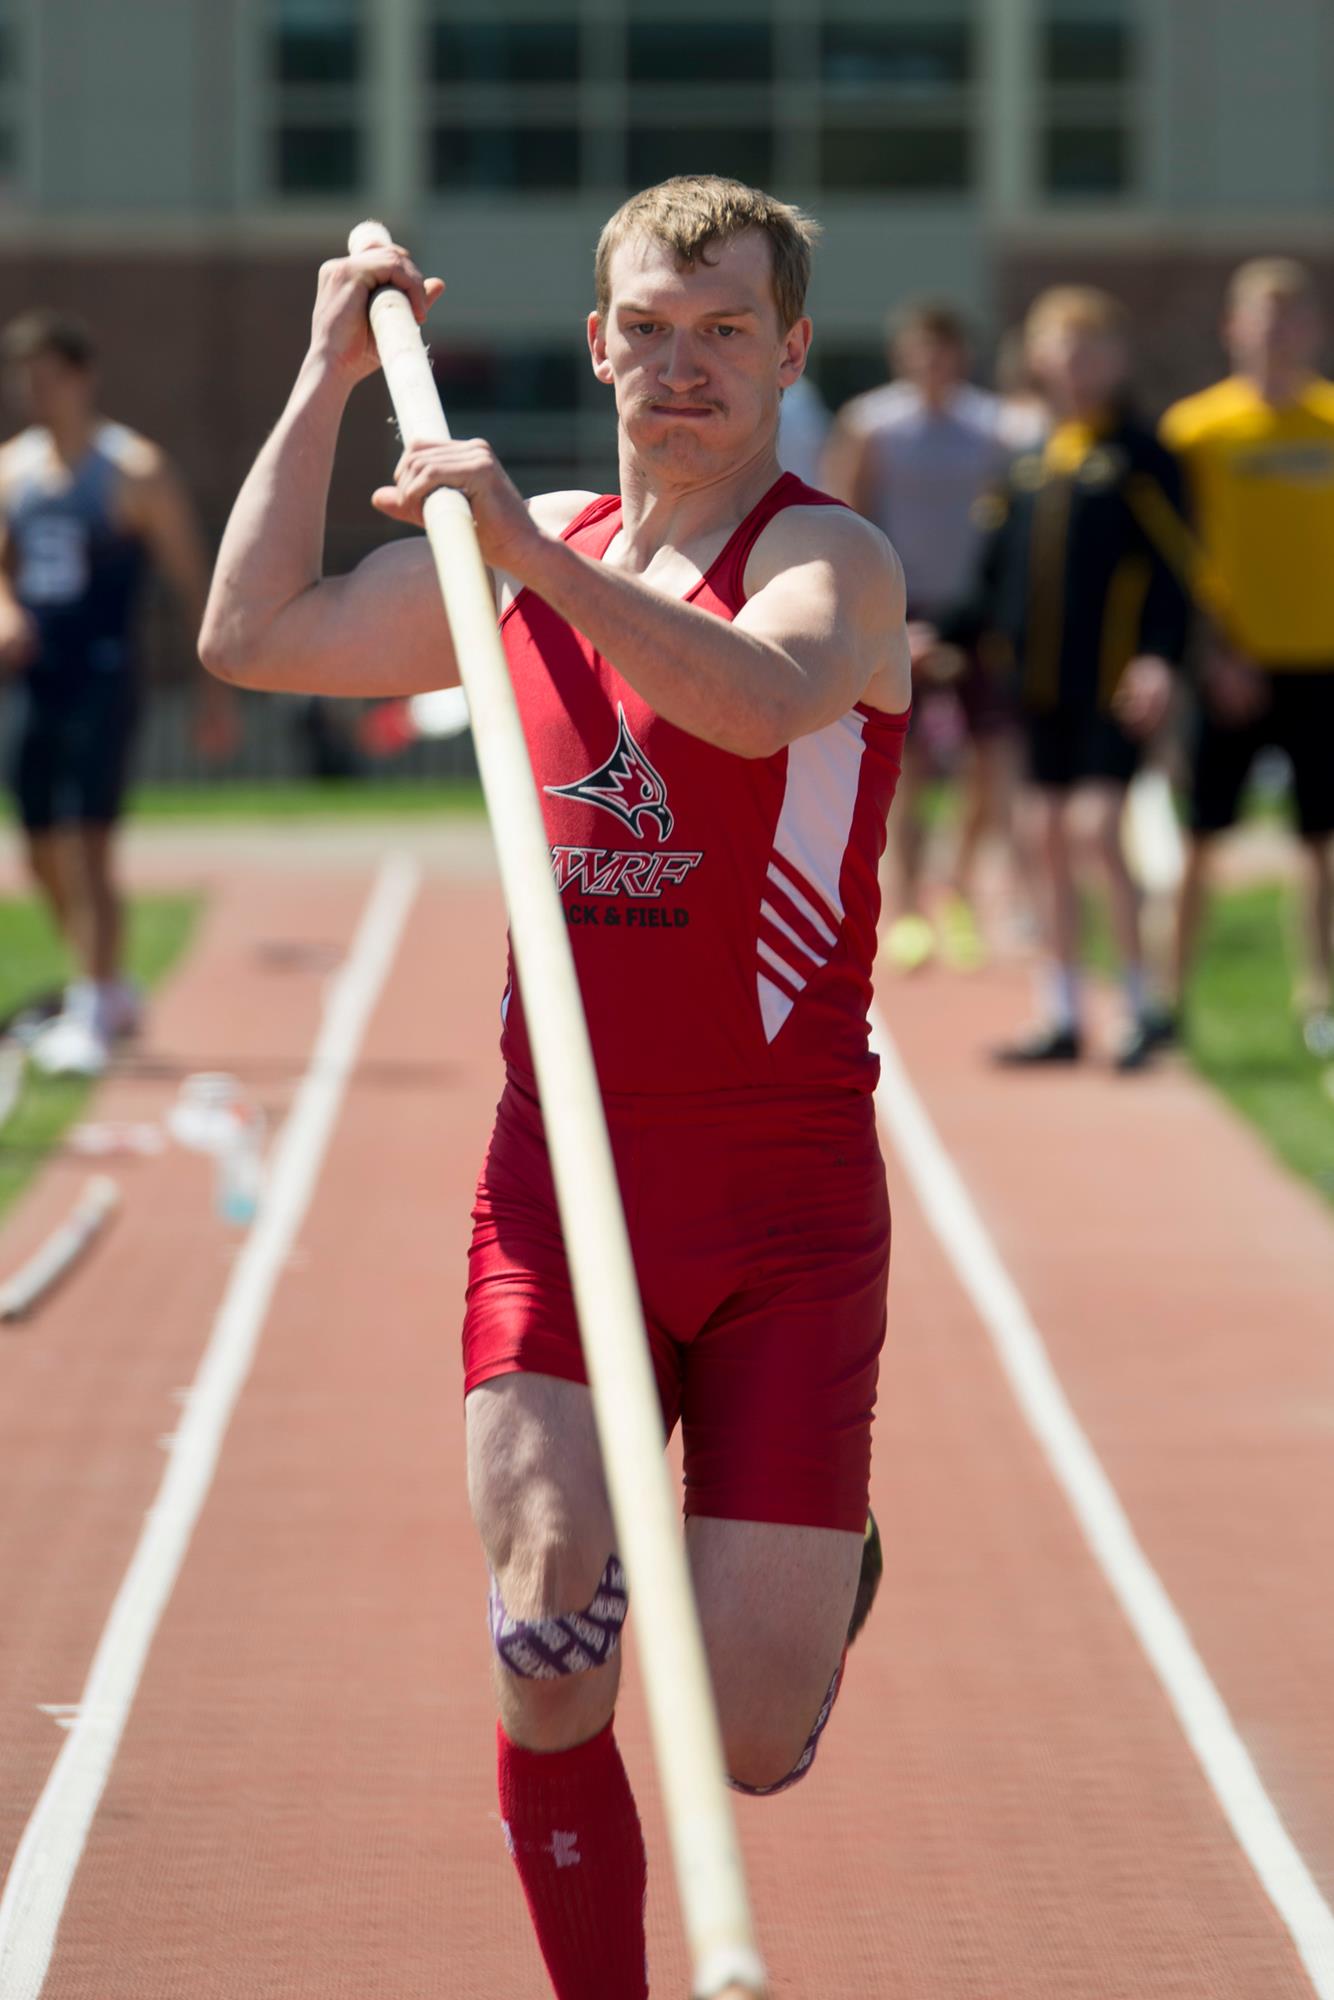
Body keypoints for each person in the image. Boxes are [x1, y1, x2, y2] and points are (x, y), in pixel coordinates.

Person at [199, 176, 912, 1999]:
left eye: (724, 333)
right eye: (649, 330)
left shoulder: (825, 557)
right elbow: (252, 633)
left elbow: (757, 703)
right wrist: (322, 373)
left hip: (782, 1211)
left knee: (745, 1741)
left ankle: (813, 1580)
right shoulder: (510, 548)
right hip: (556, 1171)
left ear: (786, 356)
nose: (680, 369)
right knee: (548, 1649)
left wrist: (529, 561)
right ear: (596, 341)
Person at [930, 286, 1191, 1070]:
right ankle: (1064, 1010)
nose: (1075, 365)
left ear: (1116, 359)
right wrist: (936, 636)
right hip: (1033, 687)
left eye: (1091, 348)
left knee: (1095, 834)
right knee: (1041, 838)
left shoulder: (1144, 456)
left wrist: (1160, 660)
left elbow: (1178, 572)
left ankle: (1144, 1004)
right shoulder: (1030, 462)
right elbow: (990, 582)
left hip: (1113, 684)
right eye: (1060, 348)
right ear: (1038, 359)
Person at [0, 309, 233, 1075]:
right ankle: (105, 987)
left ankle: (92, 1007)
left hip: (104, 674)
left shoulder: (133, 469)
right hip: (35, 679)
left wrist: (215, 689)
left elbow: (193, 581)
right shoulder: (13, 469)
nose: (35, 392)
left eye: (48, 377)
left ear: (81, 376)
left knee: (89, 841)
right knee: (39, 849)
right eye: (24, 379)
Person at [1160, 258, 1334, 1056]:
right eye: (1262, 321)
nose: (1276, 336)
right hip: (1232, 664)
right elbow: (1172, 555)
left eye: (1291, 321)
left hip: (1322, 665)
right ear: (1234, 330)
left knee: (1320, 845)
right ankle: (1167, 1000)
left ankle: (1319, 1000)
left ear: (1313, 330)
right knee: (1201, 840)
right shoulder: (1195, 430)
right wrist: (1211, 654)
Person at [823, 299, 1015, 974]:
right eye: (920, 351)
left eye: (945, 351)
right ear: (903, 356)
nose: (933, 364)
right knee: (909, 769)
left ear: (962, 356)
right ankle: (905, 908)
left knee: (992, 770)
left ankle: (955, 886)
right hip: (901, 609)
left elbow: (1014, 521)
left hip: (979, 615)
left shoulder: (997, 427)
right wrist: (880, 614)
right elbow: (842, 512)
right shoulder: (873, 424)